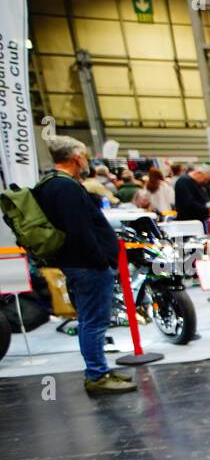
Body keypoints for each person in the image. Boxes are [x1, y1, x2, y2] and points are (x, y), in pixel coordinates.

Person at [34, 136, 135, 393]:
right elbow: (79, 230)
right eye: (83, 155)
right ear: (76, 157)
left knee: (92, 320)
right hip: (87, 266)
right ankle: (97, 374)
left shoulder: (51, 184)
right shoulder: (65, 187)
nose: (86, 160)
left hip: (80, 264)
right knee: (94, 321)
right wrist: (101, 261)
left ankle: (98, 370)